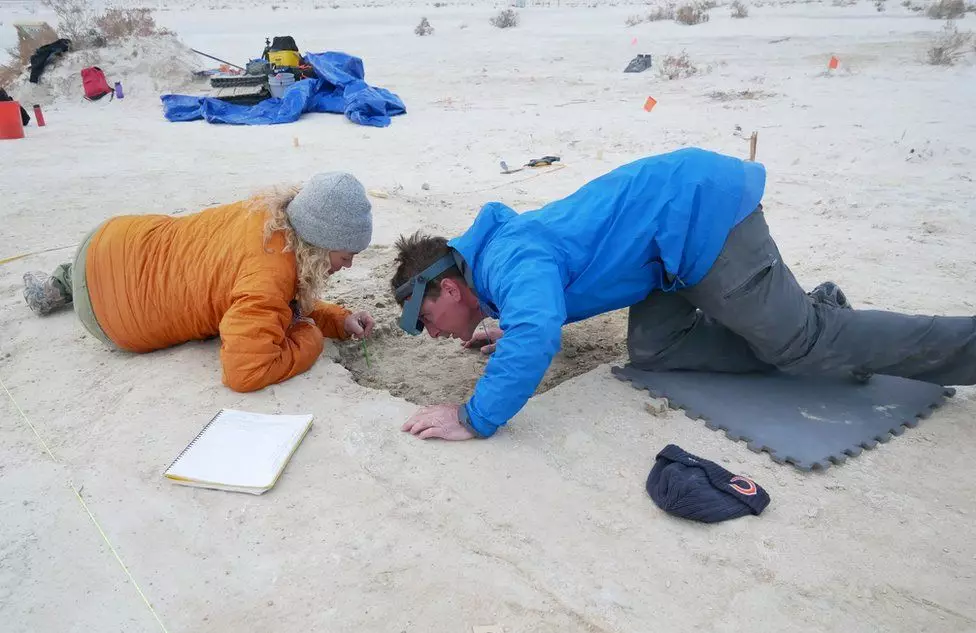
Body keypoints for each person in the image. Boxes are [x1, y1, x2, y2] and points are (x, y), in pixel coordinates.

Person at [390, 147, 976, 441]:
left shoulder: (509, 258)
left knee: (801, 344)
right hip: (662, 253)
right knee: (658, 349)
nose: (430, 331)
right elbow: (532, 306)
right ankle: (795, 316)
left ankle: (947, 344)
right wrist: (503, 323)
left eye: (426, 317)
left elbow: (539, 329)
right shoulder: (494, 272)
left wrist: (475, 416)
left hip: (700, 217)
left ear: (448, 285)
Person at [23, 171, 376, 393]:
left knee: (185, 256)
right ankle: (76, 287)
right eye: (345, 256)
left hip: (108, 238)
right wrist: (311, 334)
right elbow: (246, 372)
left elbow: (281, 298)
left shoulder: (269, 213)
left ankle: (64, 280)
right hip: (113, 319)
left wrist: (338, 320)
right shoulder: (269, 276)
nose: (348, 265)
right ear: (318, 243)